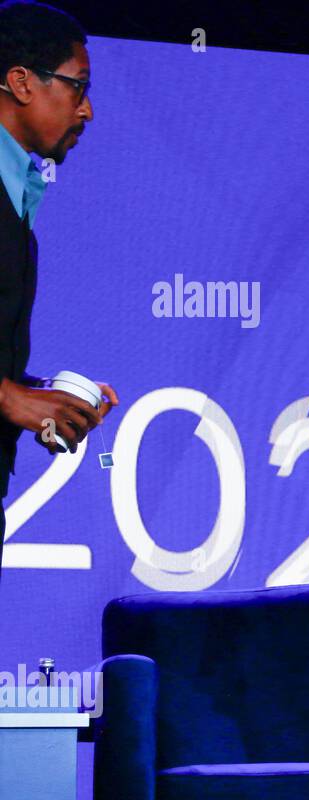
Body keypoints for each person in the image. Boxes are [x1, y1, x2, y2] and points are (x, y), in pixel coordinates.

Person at [0, 0, 118, 575]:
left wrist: (42, 396)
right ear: (21, 82)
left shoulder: (18, 196)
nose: (88, 110)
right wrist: (9, 398)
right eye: (78, 87)